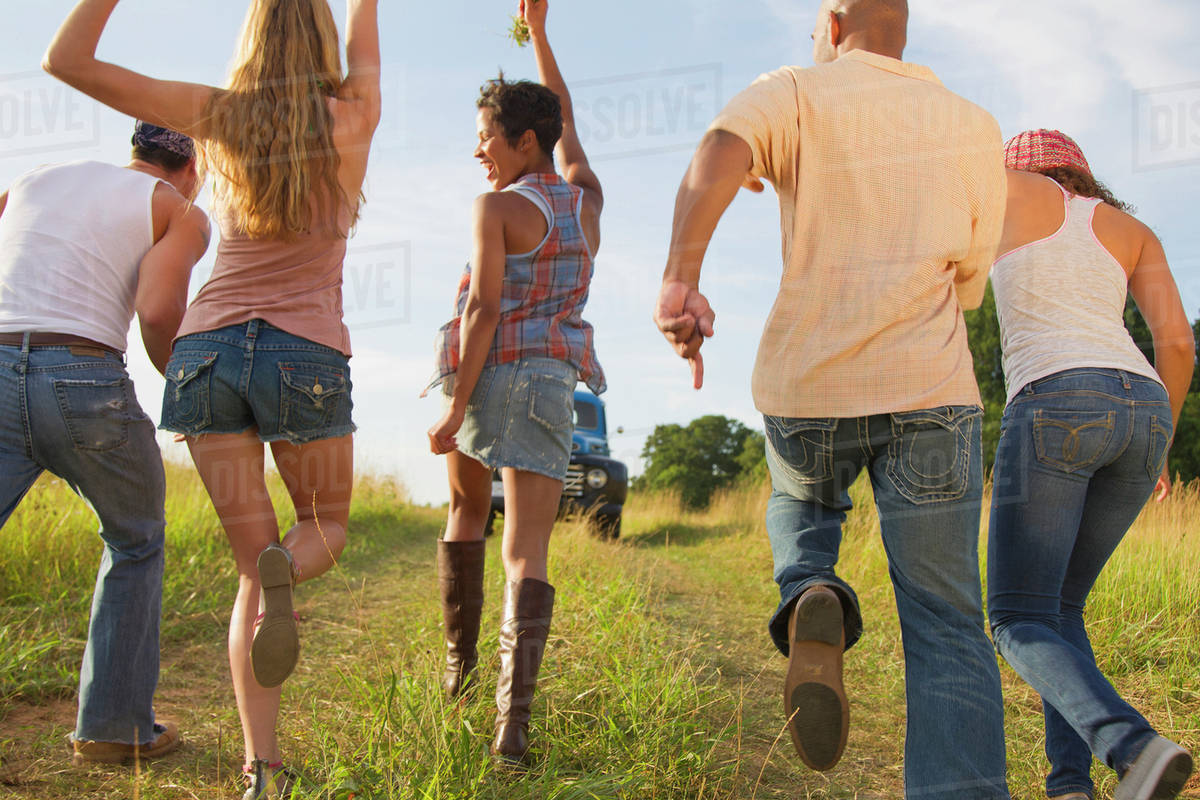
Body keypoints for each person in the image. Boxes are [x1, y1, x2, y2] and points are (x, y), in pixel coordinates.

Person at [653, 0, 1012, 796]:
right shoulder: (974, 124)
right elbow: (971, 282)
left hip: (810, 384)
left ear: (834, 19)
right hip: (932, 391)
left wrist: (682, 276)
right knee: (950, 625)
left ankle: (811, 587)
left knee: (803, 501)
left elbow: (720, 149)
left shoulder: (797, 90)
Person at [44, 0, 380, 795]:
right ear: (323, 41)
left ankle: (259, 768)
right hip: (304, 354)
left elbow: (66, 62)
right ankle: (282, 577)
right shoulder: (356, 112)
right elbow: (367, 36)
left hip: (205, 354)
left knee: (248, 570)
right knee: (322, 529)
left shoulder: (217, 114)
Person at [987, 130, 1195, 800]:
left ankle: (1133, 748)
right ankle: (1068, 784)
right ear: (1083, 172)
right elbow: (1178, 344)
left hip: (1055, 396)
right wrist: (1159, 443)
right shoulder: (1131, 229)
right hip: (1145, 407)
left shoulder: (1002, 195)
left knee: (1015, 617)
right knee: (1059, 607)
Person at [424, 0, 604, 766]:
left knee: (468, 510)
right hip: (549, 384)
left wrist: (455, 406)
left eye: (486, 140)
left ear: (522, 140)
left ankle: (459, 671)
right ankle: (512, 729)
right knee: (527, 549)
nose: (479, 154)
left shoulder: (494, 207)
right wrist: (542, 36)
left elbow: (485, 308)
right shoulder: (587, 206)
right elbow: (568, 131)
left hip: (484, 370)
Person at [0, 123, 209, 765]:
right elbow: (154, 311)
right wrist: (186, 396)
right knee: (135, 538)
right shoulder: (181, 211)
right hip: (84, 377)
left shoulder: (36, 179)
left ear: (135, 148)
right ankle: (114, 729)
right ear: (192, 167)